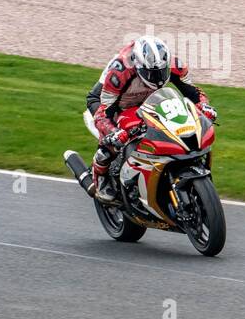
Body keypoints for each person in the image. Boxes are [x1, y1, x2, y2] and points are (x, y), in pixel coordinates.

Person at [86, 36, 215, 204]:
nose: (158, 78)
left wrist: (204, 106)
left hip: (147, 99)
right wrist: (113, 132)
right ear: (139, 66)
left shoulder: (174, 65)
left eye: (161, 72)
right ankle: (100, 177)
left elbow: (194, 93)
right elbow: (103, 113)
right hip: (111, 102)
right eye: (152, 73)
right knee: (114, 140)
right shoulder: (120, 73)